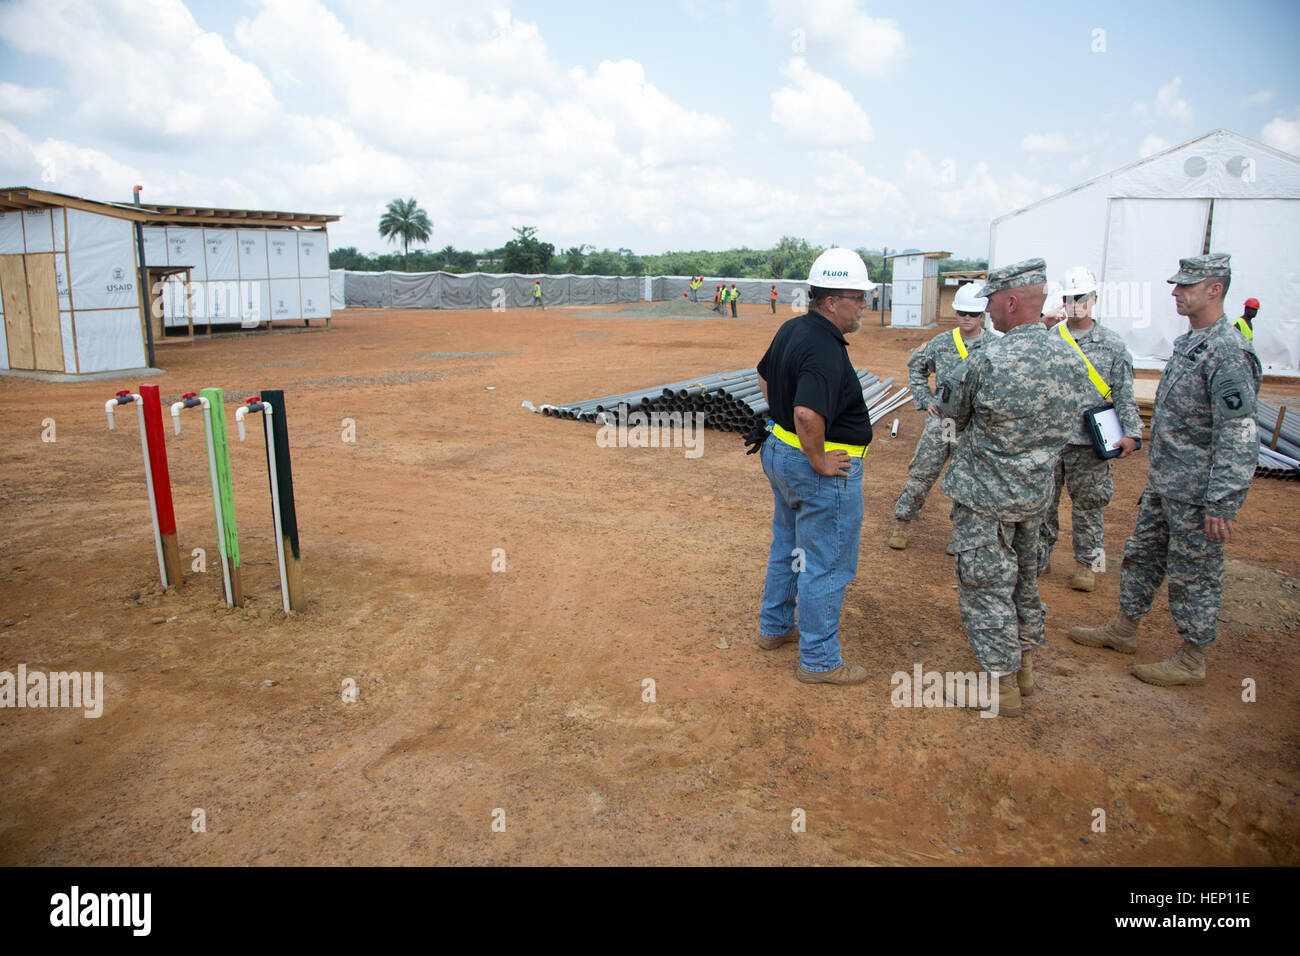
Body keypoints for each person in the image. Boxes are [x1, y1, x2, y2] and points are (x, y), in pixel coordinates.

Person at [1070, 254, 1261, 687]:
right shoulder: (1191, 343)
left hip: (1198, 490)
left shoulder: (1228, 353)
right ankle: (1125, 627)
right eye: (1177, 285)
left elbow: (1239, 435)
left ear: (1215, 289)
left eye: (1186, 287)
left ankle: (1193, 657)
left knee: (1194, 571)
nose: (1176, 293)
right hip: (1165, 481)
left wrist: (1223, 501)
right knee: (1142, 554)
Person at [935, 258, 1093, 716]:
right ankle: (1024, 668)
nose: (986, 310)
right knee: (1026, 581)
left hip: (986, 496)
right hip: (1037, 494)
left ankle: (999, 687)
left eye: (989, 301)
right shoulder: (1070, 357)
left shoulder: (987, 358)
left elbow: (950, 415)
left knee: (984, 585)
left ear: (1010, 301)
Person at [754, 248, 875, 685]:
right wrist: (820, 459)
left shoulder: (793, 328)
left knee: (788, 547)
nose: (864, 304)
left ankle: (774, 628)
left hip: (780, 454)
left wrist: (781, 417)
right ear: (831, 301)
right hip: (816, 469)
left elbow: (764, 374)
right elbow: (808, 414)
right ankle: (820, 660)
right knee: (825, 563)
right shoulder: (824, 347)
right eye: (857, 296)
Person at [1040, 266, 1143, 591]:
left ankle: (1087, 564)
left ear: (1094, 299)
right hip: (1054, 438)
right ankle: (1039, 559)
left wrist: (1132, 432)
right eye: (1069, 298)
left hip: (1090, 441)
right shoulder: (1053, 337)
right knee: (1043, 504)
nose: (1074, 304)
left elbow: (1124, 390)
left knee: (1089, 507)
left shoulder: (1111, 344)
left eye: (1081, 297)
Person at [888, 281, 990, 550]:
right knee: (922, 473)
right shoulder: (942, 342)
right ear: (955, 313)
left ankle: (961, 535)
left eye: (973, 314)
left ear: (983, 315)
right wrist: (925, 399)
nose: (967, 319)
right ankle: (902, 521)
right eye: (962, 313)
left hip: (971, 426)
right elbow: (917, 367)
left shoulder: (995, 347)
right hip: (941, 420)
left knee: (967, 482)